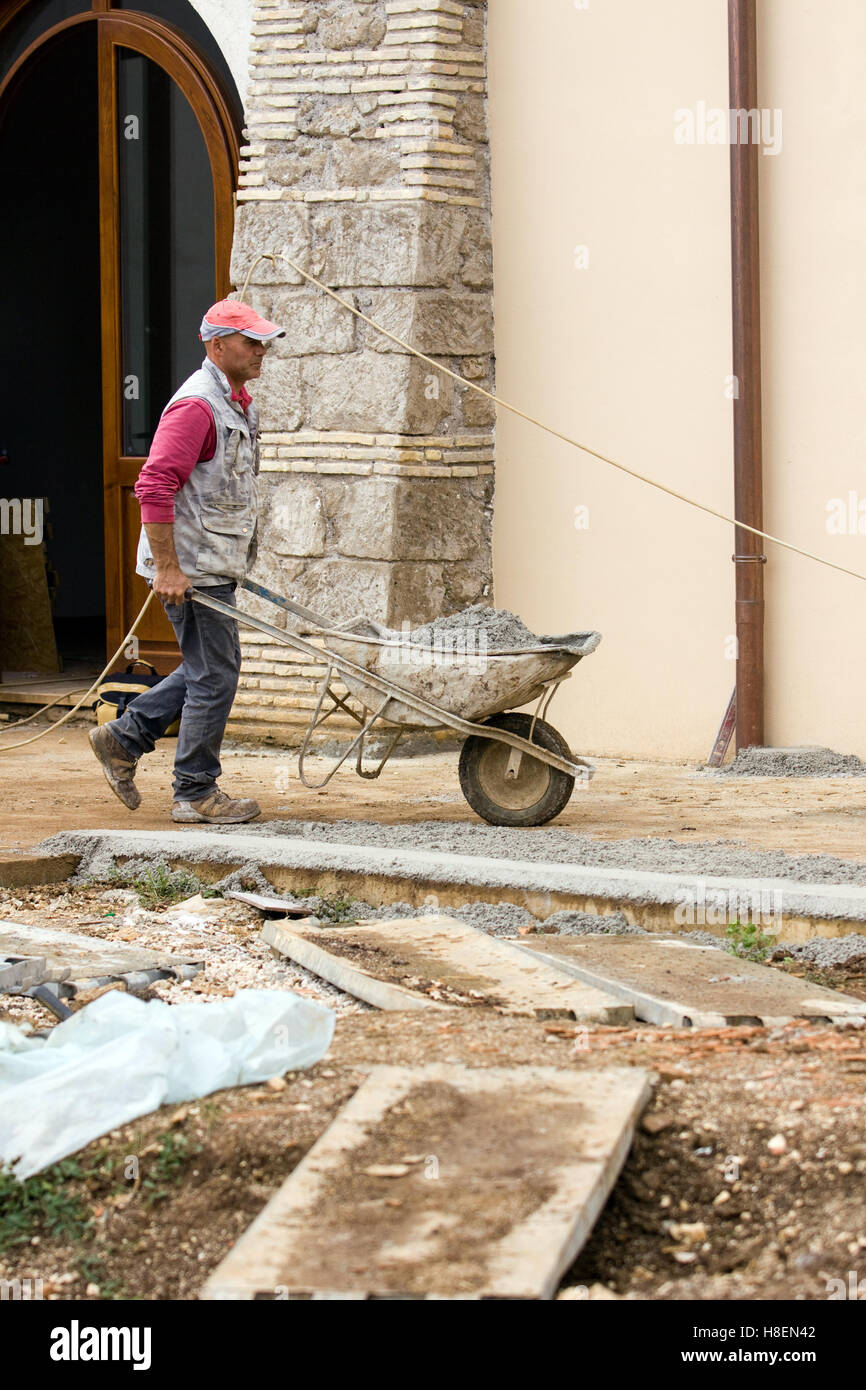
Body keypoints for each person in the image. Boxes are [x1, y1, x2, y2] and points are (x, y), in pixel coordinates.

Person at [89, 299, 285, 824]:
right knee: (215, 676)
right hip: (191, 568)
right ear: (217, 346)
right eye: (252, 343)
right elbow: (153, 484)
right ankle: (195, 792)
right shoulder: (196, 406)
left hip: (212, 562)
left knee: (208, 670)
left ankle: (123, 737)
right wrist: (170, 568)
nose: (261, 351)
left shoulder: (238, 403)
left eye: (264, 342)